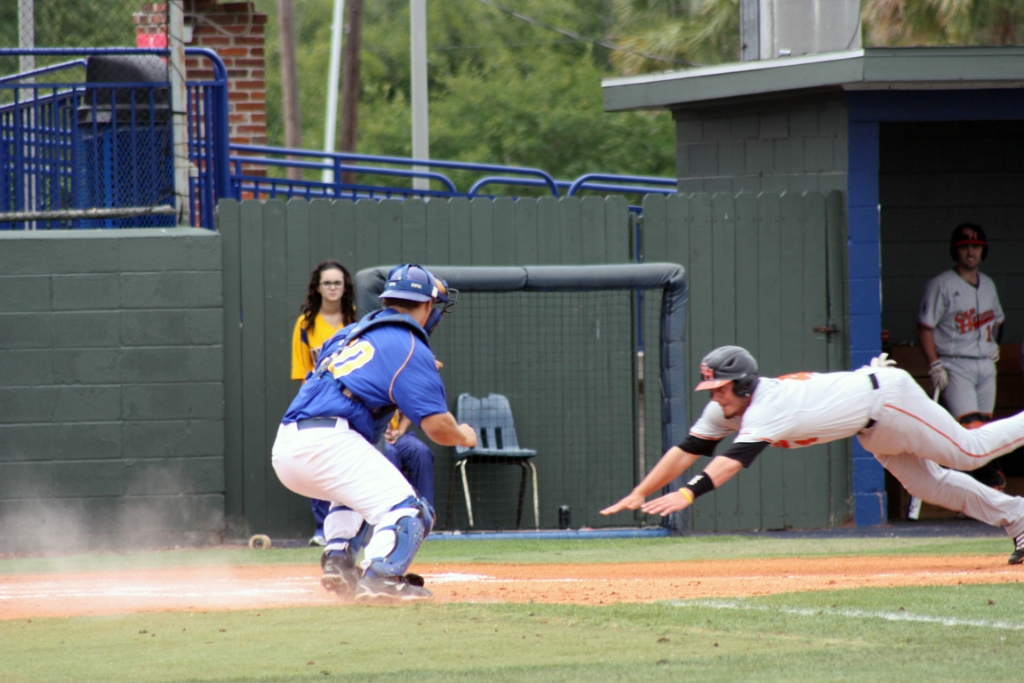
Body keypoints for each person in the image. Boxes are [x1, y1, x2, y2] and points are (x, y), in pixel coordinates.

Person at [600, 345, 1024, 565]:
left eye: (721, 387)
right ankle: (1017, 517)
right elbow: (687, 450)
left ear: (744, 385)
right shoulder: (725, 408)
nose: (715, 395)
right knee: (927, 485)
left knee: (969, 451)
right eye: (711, 388)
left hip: (887, 399)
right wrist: (642, 491)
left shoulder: (767, 405)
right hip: (869, 426)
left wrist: (689, 494)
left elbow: (733, 460)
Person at [272, 264, 477, 600]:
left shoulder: (347, 333)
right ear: (426, 306)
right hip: (329, 442)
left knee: (357, 495)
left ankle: (338, 558)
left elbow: (360, 370)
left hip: (288, 446)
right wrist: (465, 435)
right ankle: (381, 575)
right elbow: (439, 428)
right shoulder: (409, 345)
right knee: (410, 510)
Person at [918, 223, 1006, 492]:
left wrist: (994, 344)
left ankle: (980, 488)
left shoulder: (988, 284)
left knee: (985, 430)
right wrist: (934, 364)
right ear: (955, 252)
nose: (970, 252)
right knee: (970, 428)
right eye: (964, 247)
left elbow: (999, 320)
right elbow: (925, 327)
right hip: (955, 363)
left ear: (983, 251)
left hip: (985, 364)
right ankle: (993, 480)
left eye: (976, 247)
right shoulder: (941, 284)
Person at [291, 260, 356, 546]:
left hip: (353, 401)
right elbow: (302, 373)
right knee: (319, 461)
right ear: (318, 287)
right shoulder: (305, 323)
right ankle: (322, 529)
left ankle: (356, 529)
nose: (332, 288)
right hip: (320, 404)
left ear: (345, 287)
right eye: (327, 283)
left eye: (337, 282)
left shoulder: (355, 321)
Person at [384, 410, 435, 507]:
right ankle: (392, 514)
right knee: (390, 453)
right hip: (371, 436)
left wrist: (400, 431)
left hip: (397, 435)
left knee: (421, 452)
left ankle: (425, 515)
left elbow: (408, 406)